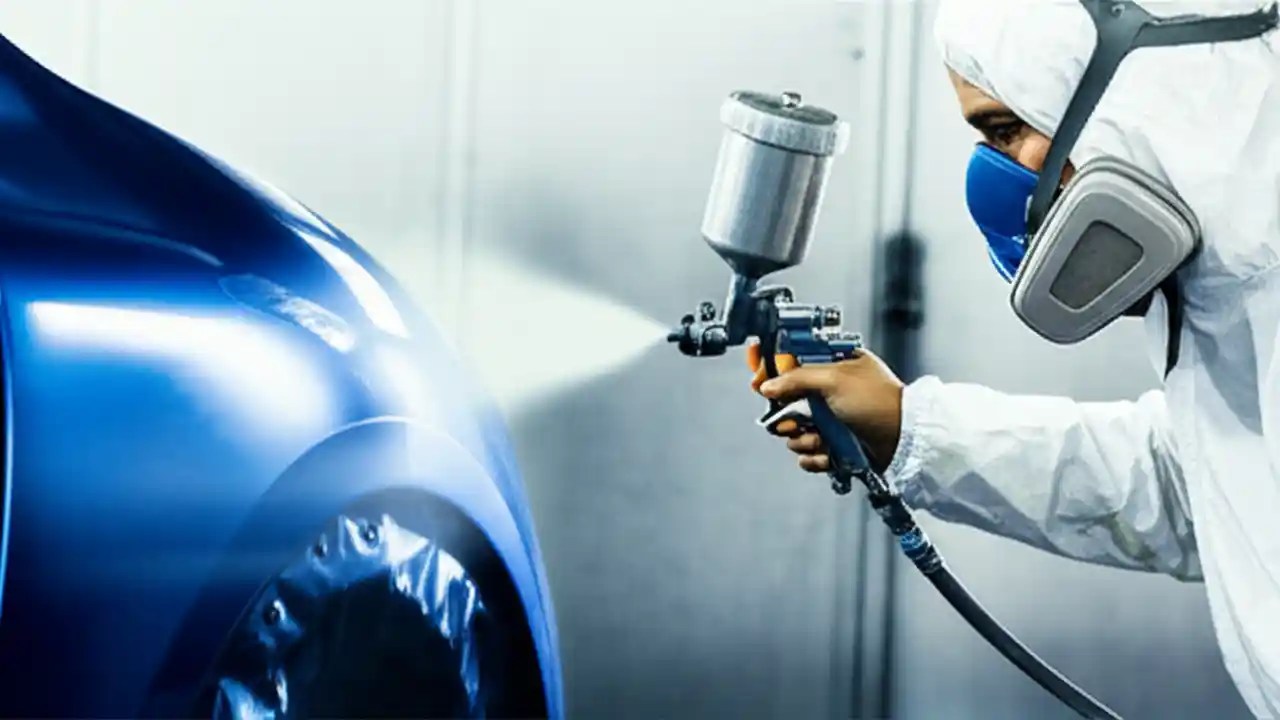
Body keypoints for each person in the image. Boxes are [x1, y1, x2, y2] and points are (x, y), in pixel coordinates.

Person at [752, 0, 1280, 716]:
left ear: (1143, 97)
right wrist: (909, 426)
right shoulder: (1233, 297)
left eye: (1004, 130)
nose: (997, 178)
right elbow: (1206, 490)